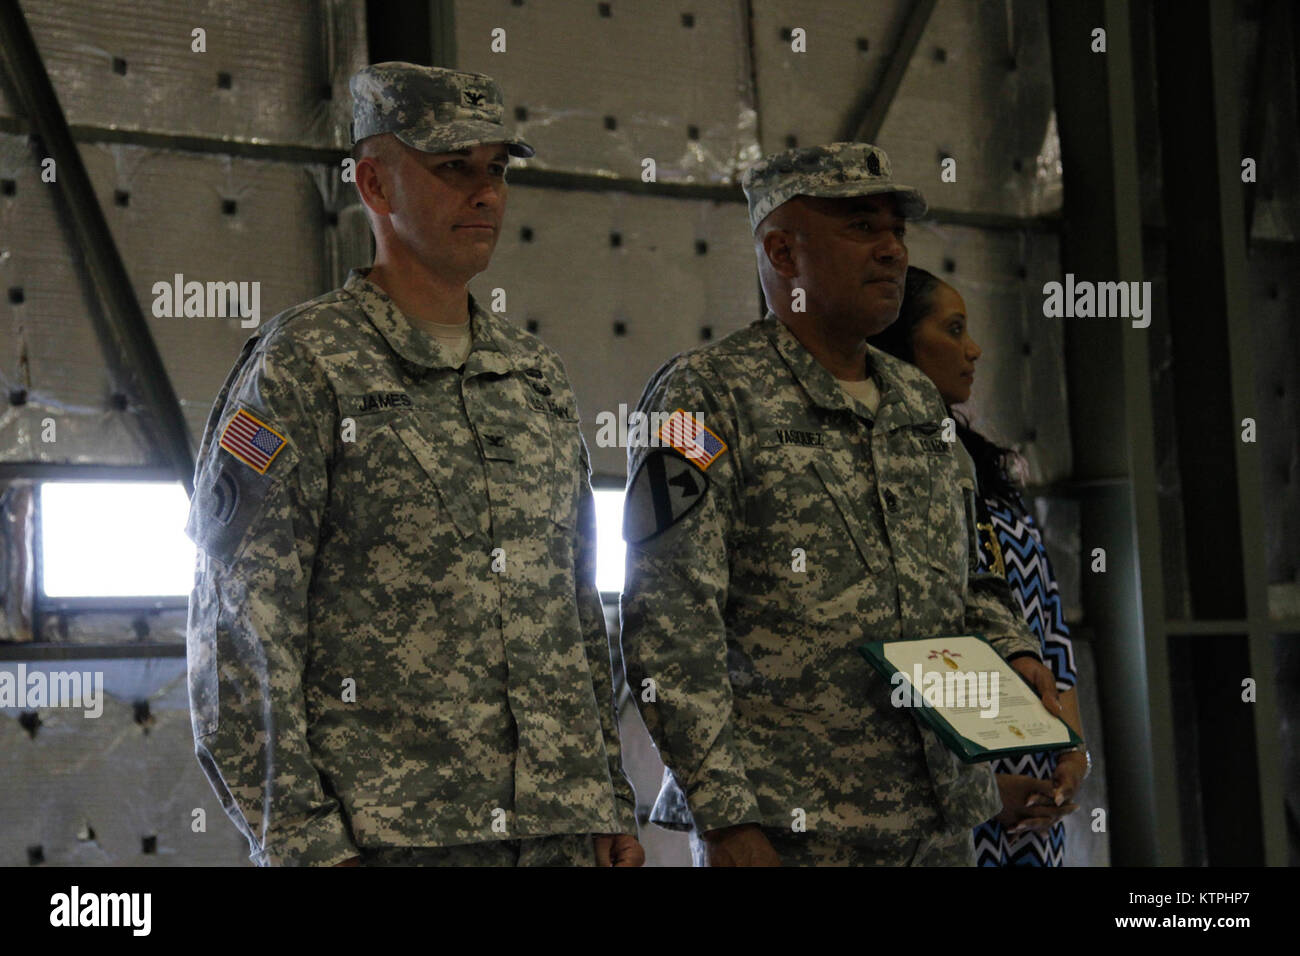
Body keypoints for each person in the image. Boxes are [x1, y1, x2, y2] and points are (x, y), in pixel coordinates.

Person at [184, 62, 643, 868]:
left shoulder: (534, 376)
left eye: (497, 170)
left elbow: (574, 607)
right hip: (392, 841)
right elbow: (240, 629)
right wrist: (305, 844)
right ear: (375, 184)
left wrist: (606, 797)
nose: (486, 193)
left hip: (556, 835)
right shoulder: (305, 366)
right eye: (452, 169)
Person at [618, 142, 1061, 867]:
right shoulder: (703, 399)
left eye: (897, 231)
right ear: (783, 253)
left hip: (936, 823)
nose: (892, 250)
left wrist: (1010, 643)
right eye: (862, 228)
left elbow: (968, 574)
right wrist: (726, 818)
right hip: (793, 831)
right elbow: (668, 621)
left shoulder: (916, 400)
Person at [869, 266, 1089, 866]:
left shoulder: (984, 469)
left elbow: (1046, 624)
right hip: (950, 789)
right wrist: (983, 792)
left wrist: (1070, 751)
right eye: (954, 329)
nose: (975, 349)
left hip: (1033, 786)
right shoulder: (887, 478)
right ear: (900, 348)